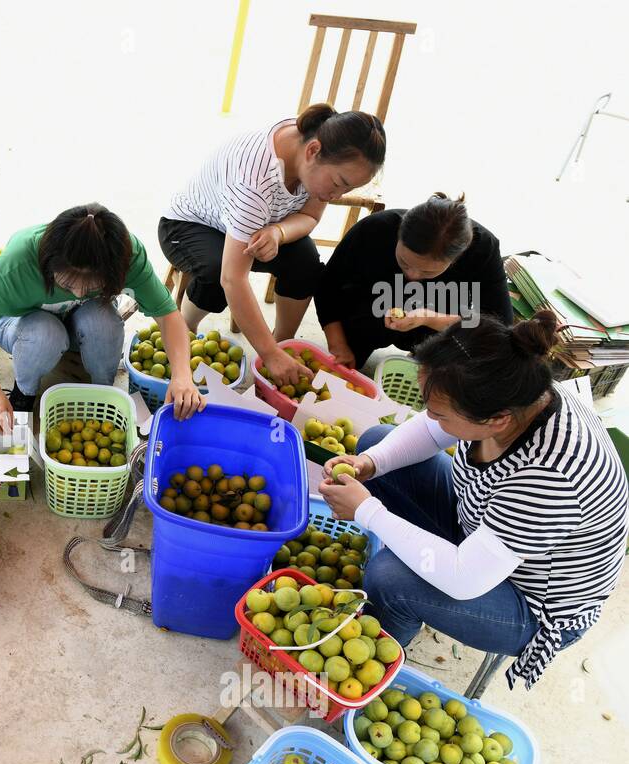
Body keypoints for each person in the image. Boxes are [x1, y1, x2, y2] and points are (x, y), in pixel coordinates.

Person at [318, 310, 628, 689]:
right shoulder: (518, 391)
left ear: (497, 420)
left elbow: (464, 577)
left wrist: (368, 511)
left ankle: (370, 670)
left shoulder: (550, 476)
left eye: (441, 413)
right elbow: (431, 431)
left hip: (528, 602)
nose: (431, 418)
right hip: (482, 525)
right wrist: (370, 463)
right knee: (375, 445)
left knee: (390, 578)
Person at [158, 103, 385, 387]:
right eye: (338, 183)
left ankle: (283, 343)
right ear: (313, 151)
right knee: (217, 272)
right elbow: (233, 278)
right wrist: (267, 354)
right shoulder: (256, 180)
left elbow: (310, 216)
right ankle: (185, 327)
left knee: (306, 262)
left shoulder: (319, 146)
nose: (336, 195)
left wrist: (278, 231)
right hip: (191, 225)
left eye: (348, 189)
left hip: (257, 226)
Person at [0, 203, 204, 432]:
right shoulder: (19, 262)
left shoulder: (126, 255)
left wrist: (182, 375)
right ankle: (24, 393)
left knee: (103, 322)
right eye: (68, 282)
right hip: (23, 325)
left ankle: (102, 395)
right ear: (50, 263)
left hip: (81, 319)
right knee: (45, 333)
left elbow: (168, 314)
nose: (81, 291)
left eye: (93, 284)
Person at [314, 193, 512, 370]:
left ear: (457, 258)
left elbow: (498, 323)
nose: (413, 276)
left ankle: (426, 355)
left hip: (437, 319)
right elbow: (328, 285)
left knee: (454, 372)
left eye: (428, 271)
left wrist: (429, 318)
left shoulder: (484, 249)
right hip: (372, 310)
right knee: (348, 362)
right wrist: (338, 344)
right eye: (404, 262)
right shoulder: (375, 228)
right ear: (399, 232)